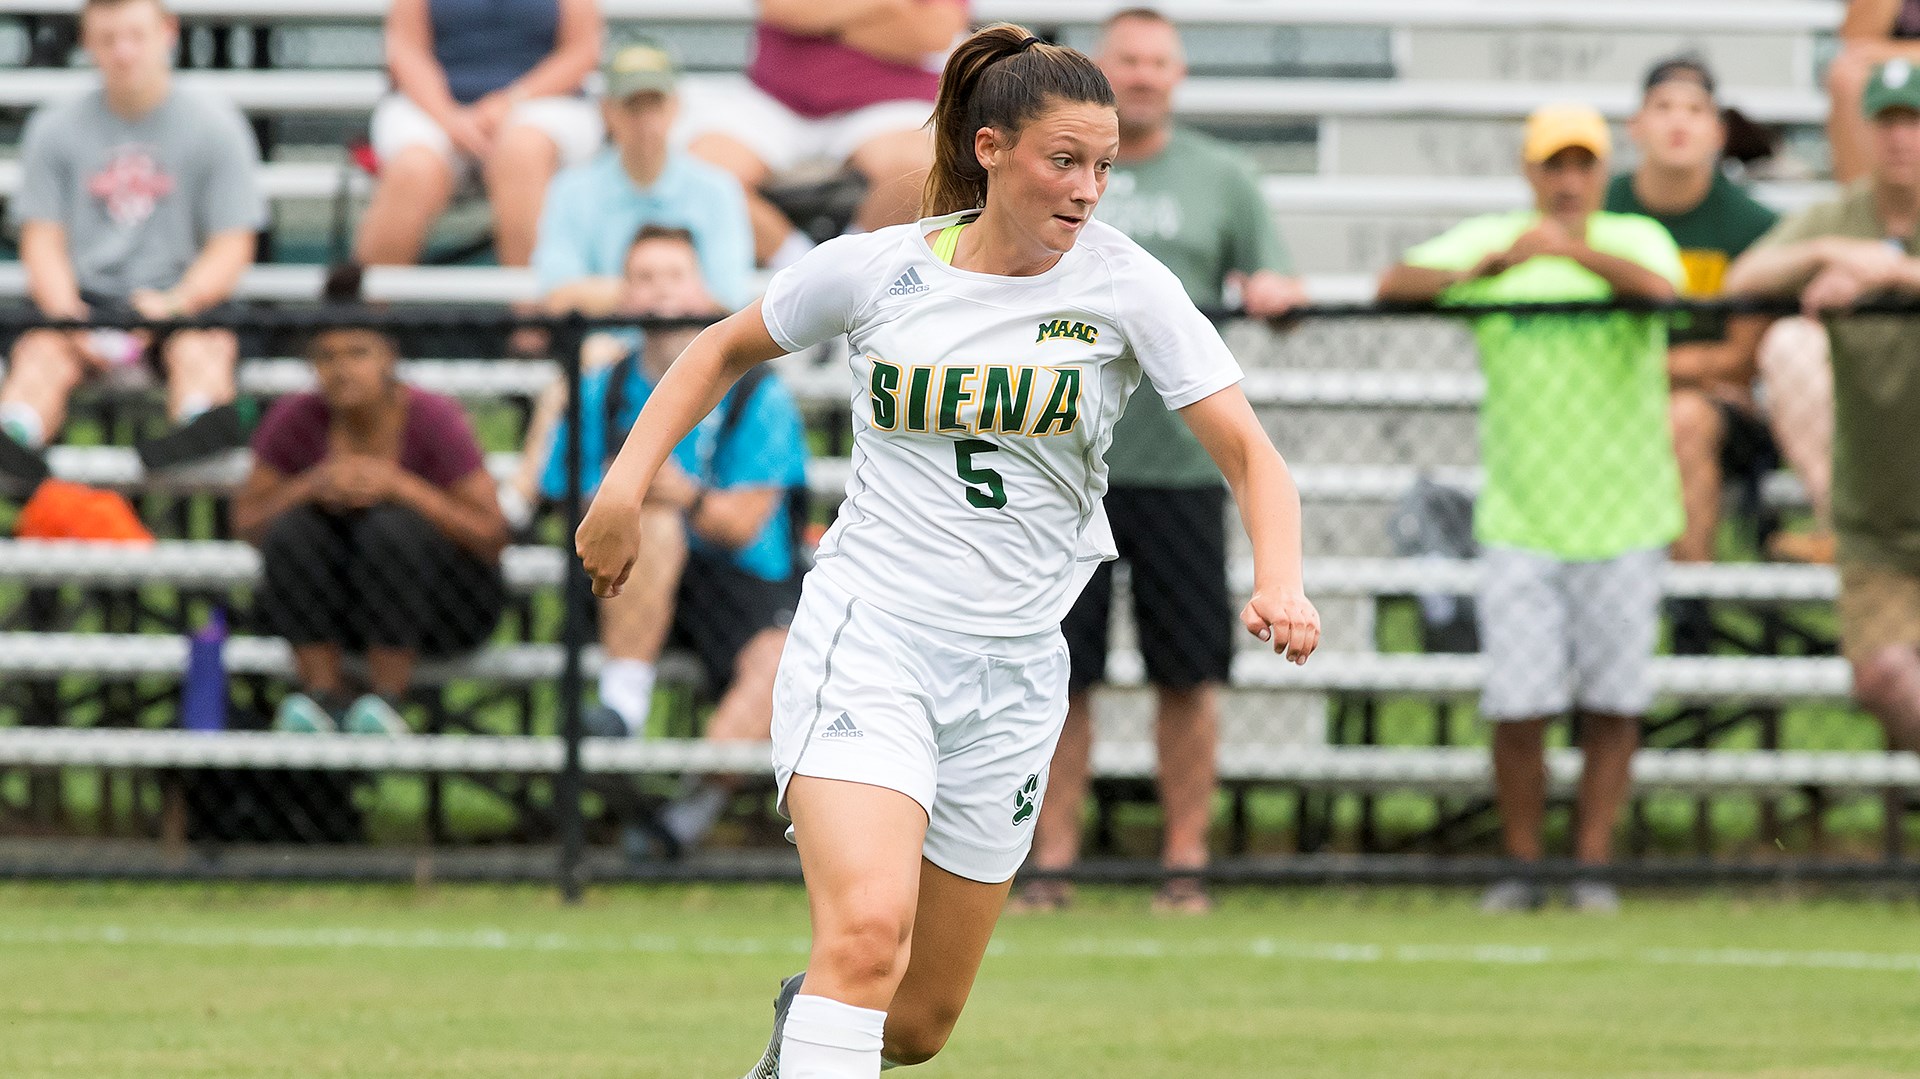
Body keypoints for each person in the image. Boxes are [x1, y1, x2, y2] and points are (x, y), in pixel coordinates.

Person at [576, 24, 1319, 1078]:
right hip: (870, 640)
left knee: (914, 1023)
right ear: (989, 148)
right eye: (1065, 160)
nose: (1088, 189)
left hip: (1015, 673)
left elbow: (1252, 454)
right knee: (867, 934)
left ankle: (801, 1043)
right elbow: (719, 349)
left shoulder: (1125, 284)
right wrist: (624, 486)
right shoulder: (881, 270)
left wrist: (1281, 577)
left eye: (1103, 166)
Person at [1020, 6, 1305, 916]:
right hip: (1062, 471)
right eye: (1128, 61)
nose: (1142, 75)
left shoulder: (1222, 177)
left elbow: (1273, 274)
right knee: (1064, 675)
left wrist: (1276, 291)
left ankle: (1184, 860)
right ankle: (1049, 860)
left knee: (1188, 674)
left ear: (1177, 74)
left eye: (1157, 62)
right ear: (1101, 73)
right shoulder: (1048, 174)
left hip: (1179, 467)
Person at [1378, 103, 1686, 914]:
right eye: (1554, 164)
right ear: (1531, 172)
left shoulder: (1635, 238)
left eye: (1583, 164)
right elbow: (1395, 284)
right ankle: (1520, 866)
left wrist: (1575, 253)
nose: (1569, 179)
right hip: (1519, 512)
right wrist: (1489, 265)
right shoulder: (1498, 240)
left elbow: (1663, 293)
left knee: (1614, 702)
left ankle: (1591, 868)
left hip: (1625, 510)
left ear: (1603, 171)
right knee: (1519, 705)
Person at [528, 225, 810, 854]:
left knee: (780, 664)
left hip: (738, 576)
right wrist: (636, 500)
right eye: (644, 278)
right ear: (625, 297)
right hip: (626, 579)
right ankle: (622, 709)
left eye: (674, 276)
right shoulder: (596, 388)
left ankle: (683, 812)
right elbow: (561, 498)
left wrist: (670, 490)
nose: (660, 293)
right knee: (647, 523)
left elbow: (742, 524)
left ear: (704, 288)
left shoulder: (758, 392)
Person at [1724, 60, 1920, 757]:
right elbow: (1741, 278)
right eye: (1890, 121)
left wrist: (1890, 271)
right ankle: (1829, 518)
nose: (1903, 138)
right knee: (1883, 678)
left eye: (1916, 120)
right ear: (1867, 131)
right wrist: (1835, 252)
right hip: (1877, 518)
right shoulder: (1841, 214)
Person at [0, 0, 265, 497]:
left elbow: (232, 245)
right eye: (107, 39)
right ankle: (15, 436)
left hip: (180, 299)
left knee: (202, 348)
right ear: (87, 44)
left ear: (168, 33)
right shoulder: (53, 127)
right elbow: (42, 239)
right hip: (83, 298)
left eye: (135, 36)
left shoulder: (215, 124)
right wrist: (70, 317)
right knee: (40, 351)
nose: (123, 53)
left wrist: (171, 306)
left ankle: (198, 428)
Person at [233, 325, 509, 736]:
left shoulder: (433, 417)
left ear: (389, 359)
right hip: (339, 604)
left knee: (391, 528)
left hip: (441, 609)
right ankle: (321, 695)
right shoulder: (295, 416)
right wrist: (309, 487)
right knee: (296, 528)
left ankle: (388, 699)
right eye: (326, 356)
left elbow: (491, 534)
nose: (342, 369)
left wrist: (399, 487)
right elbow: (247, 523)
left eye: (358, 354)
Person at [1603, 57, 1778, 652]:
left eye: (1695, 109)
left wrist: (1651, 371)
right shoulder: (1601, 213)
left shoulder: (1753, 224)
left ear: (1717, 131)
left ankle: (1689, 612)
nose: (1679, 122)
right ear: (1636, 126)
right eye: (1664, 107)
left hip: (1722, 419)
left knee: (1686, 417)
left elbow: (1743, 358)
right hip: (1607, 409)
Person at [679, 0, 971, 268]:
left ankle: (852, 272)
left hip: (887, 104)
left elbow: (934, 33)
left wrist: (821, 21)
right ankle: (800, 269)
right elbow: (783, 7)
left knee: (920, 168)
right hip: (777, 100)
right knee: (699, 172)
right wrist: (891, 7)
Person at [352, 0, 603, 268]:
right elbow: (405, 48)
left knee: (521, 152)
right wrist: (449, 119)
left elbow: (581, 50)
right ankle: (363, 307)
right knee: (414, 168)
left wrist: (510, 102)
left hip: (542, 102)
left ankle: (532, 306)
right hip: (435, 107)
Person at [532, 41, 756, 312]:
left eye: (655, 104)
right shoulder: (571, 190)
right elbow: (557, 296)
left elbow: (727, 299)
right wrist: (668, 291)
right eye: (633, 106)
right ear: (607, 110)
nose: (646, 122)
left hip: (688, 347)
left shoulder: (718, 189)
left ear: (675, 107)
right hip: (604, 350)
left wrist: (628, 292)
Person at [1828, 0, 1920, 184]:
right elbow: (1856, 39)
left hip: (1894, 55)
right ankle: (1861, 202)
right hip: (1887, 59)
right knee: (1846, 77)